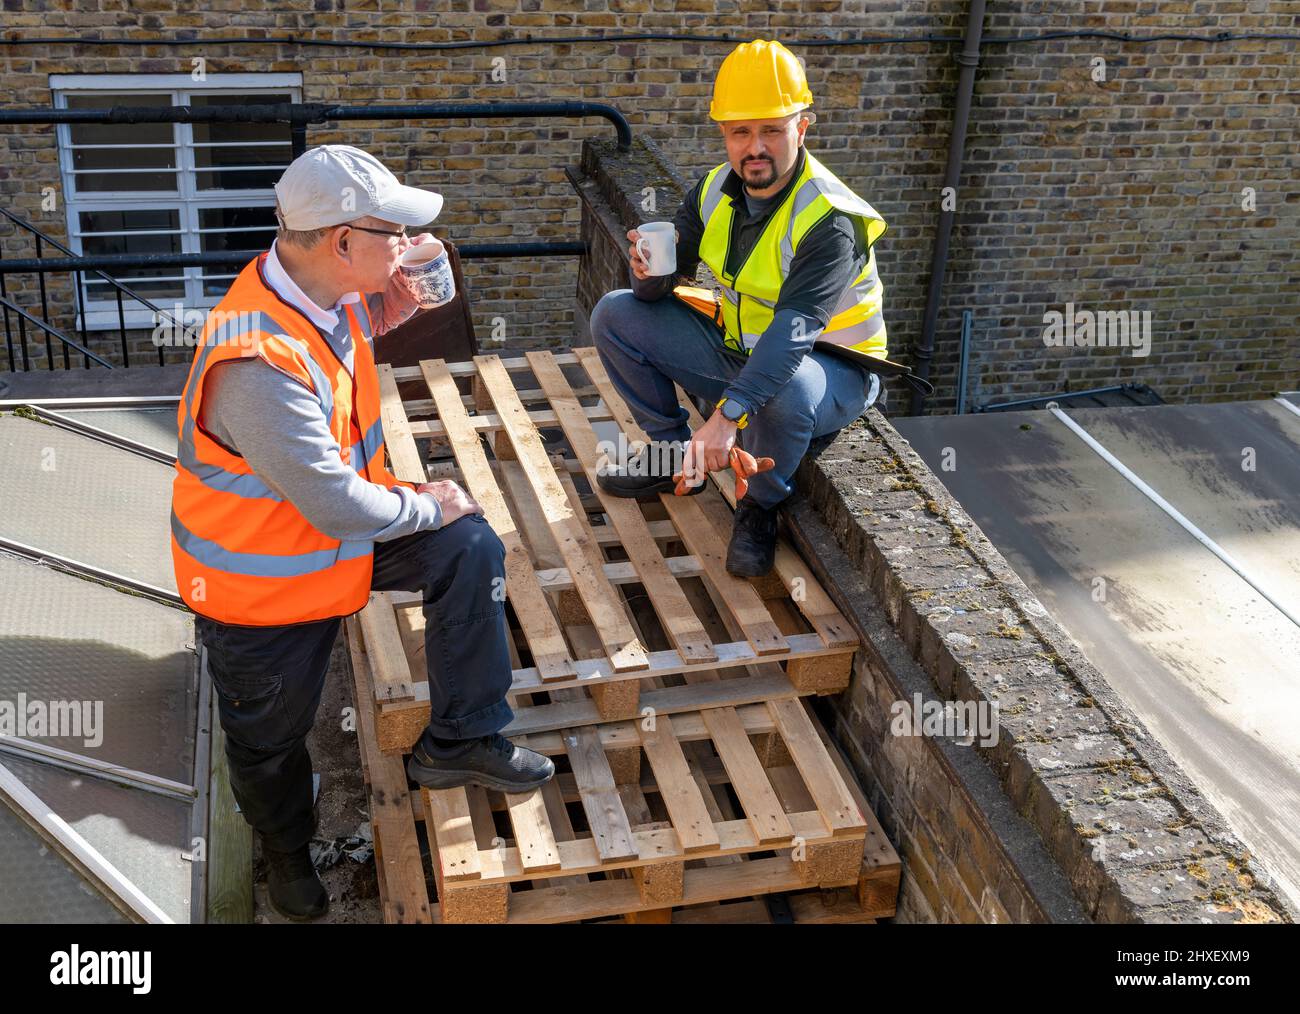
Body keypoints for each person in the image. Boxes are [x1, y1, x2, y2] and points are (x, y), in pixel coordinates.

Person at [170, 145, 554, 921]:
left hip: (331, 539)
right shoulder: (256, 368)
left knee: (470, 546)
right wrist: (427, 505)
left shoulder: (322, 289)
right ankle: (286, 852)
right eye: (394, 232)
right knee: (270, 743)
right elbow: (338, 504)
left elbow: (349, 336)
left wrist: (397, 305)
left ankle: (462, 738)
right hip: (262, 587)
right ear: (343, 242)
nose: (411, 244)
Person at [591, 39, 890, 577]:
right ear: (725, 134)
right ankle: (672, 455)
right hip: (743, 348)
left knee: (786, 389)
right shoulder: (710, 192)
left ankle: (761, 504)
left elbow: (795, 331)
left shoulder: (831, 217)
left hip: (834, 367)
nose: (756, 147)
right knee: (615, 314)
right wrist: (647, 272)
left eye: (772, 129)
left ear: (802, 126)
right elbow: (653, 296)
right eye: (741, 131)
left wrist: (726, 418)